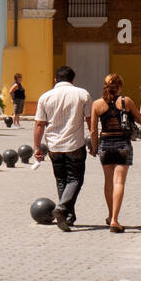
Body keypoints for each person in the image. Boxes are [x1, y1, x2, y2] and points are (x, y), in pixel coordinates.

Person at [32, 65, 92, 232]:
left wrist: (37, 147)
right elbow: (90, 120)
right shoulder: (82, 94)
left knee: (61, 180)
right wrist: (94, 141)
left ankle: (67, 216)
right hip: (75, 144)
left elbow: (39, 124)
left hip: (54, 145)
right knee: (75, 180)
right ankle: (62, 209)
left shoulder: (45, 97)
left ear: (55, 79)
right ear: (73, 80)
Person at [89, 73, 139, 233]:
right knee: (119, 183)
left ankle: (110, 215)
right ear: (120, 86)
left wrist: (95, 148)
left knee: (108, 182)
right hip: (123, 144)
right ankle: (115, 221)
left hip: (105, 144)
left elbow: (92, 130)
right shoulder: (126, 101)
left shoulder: (97, 104)